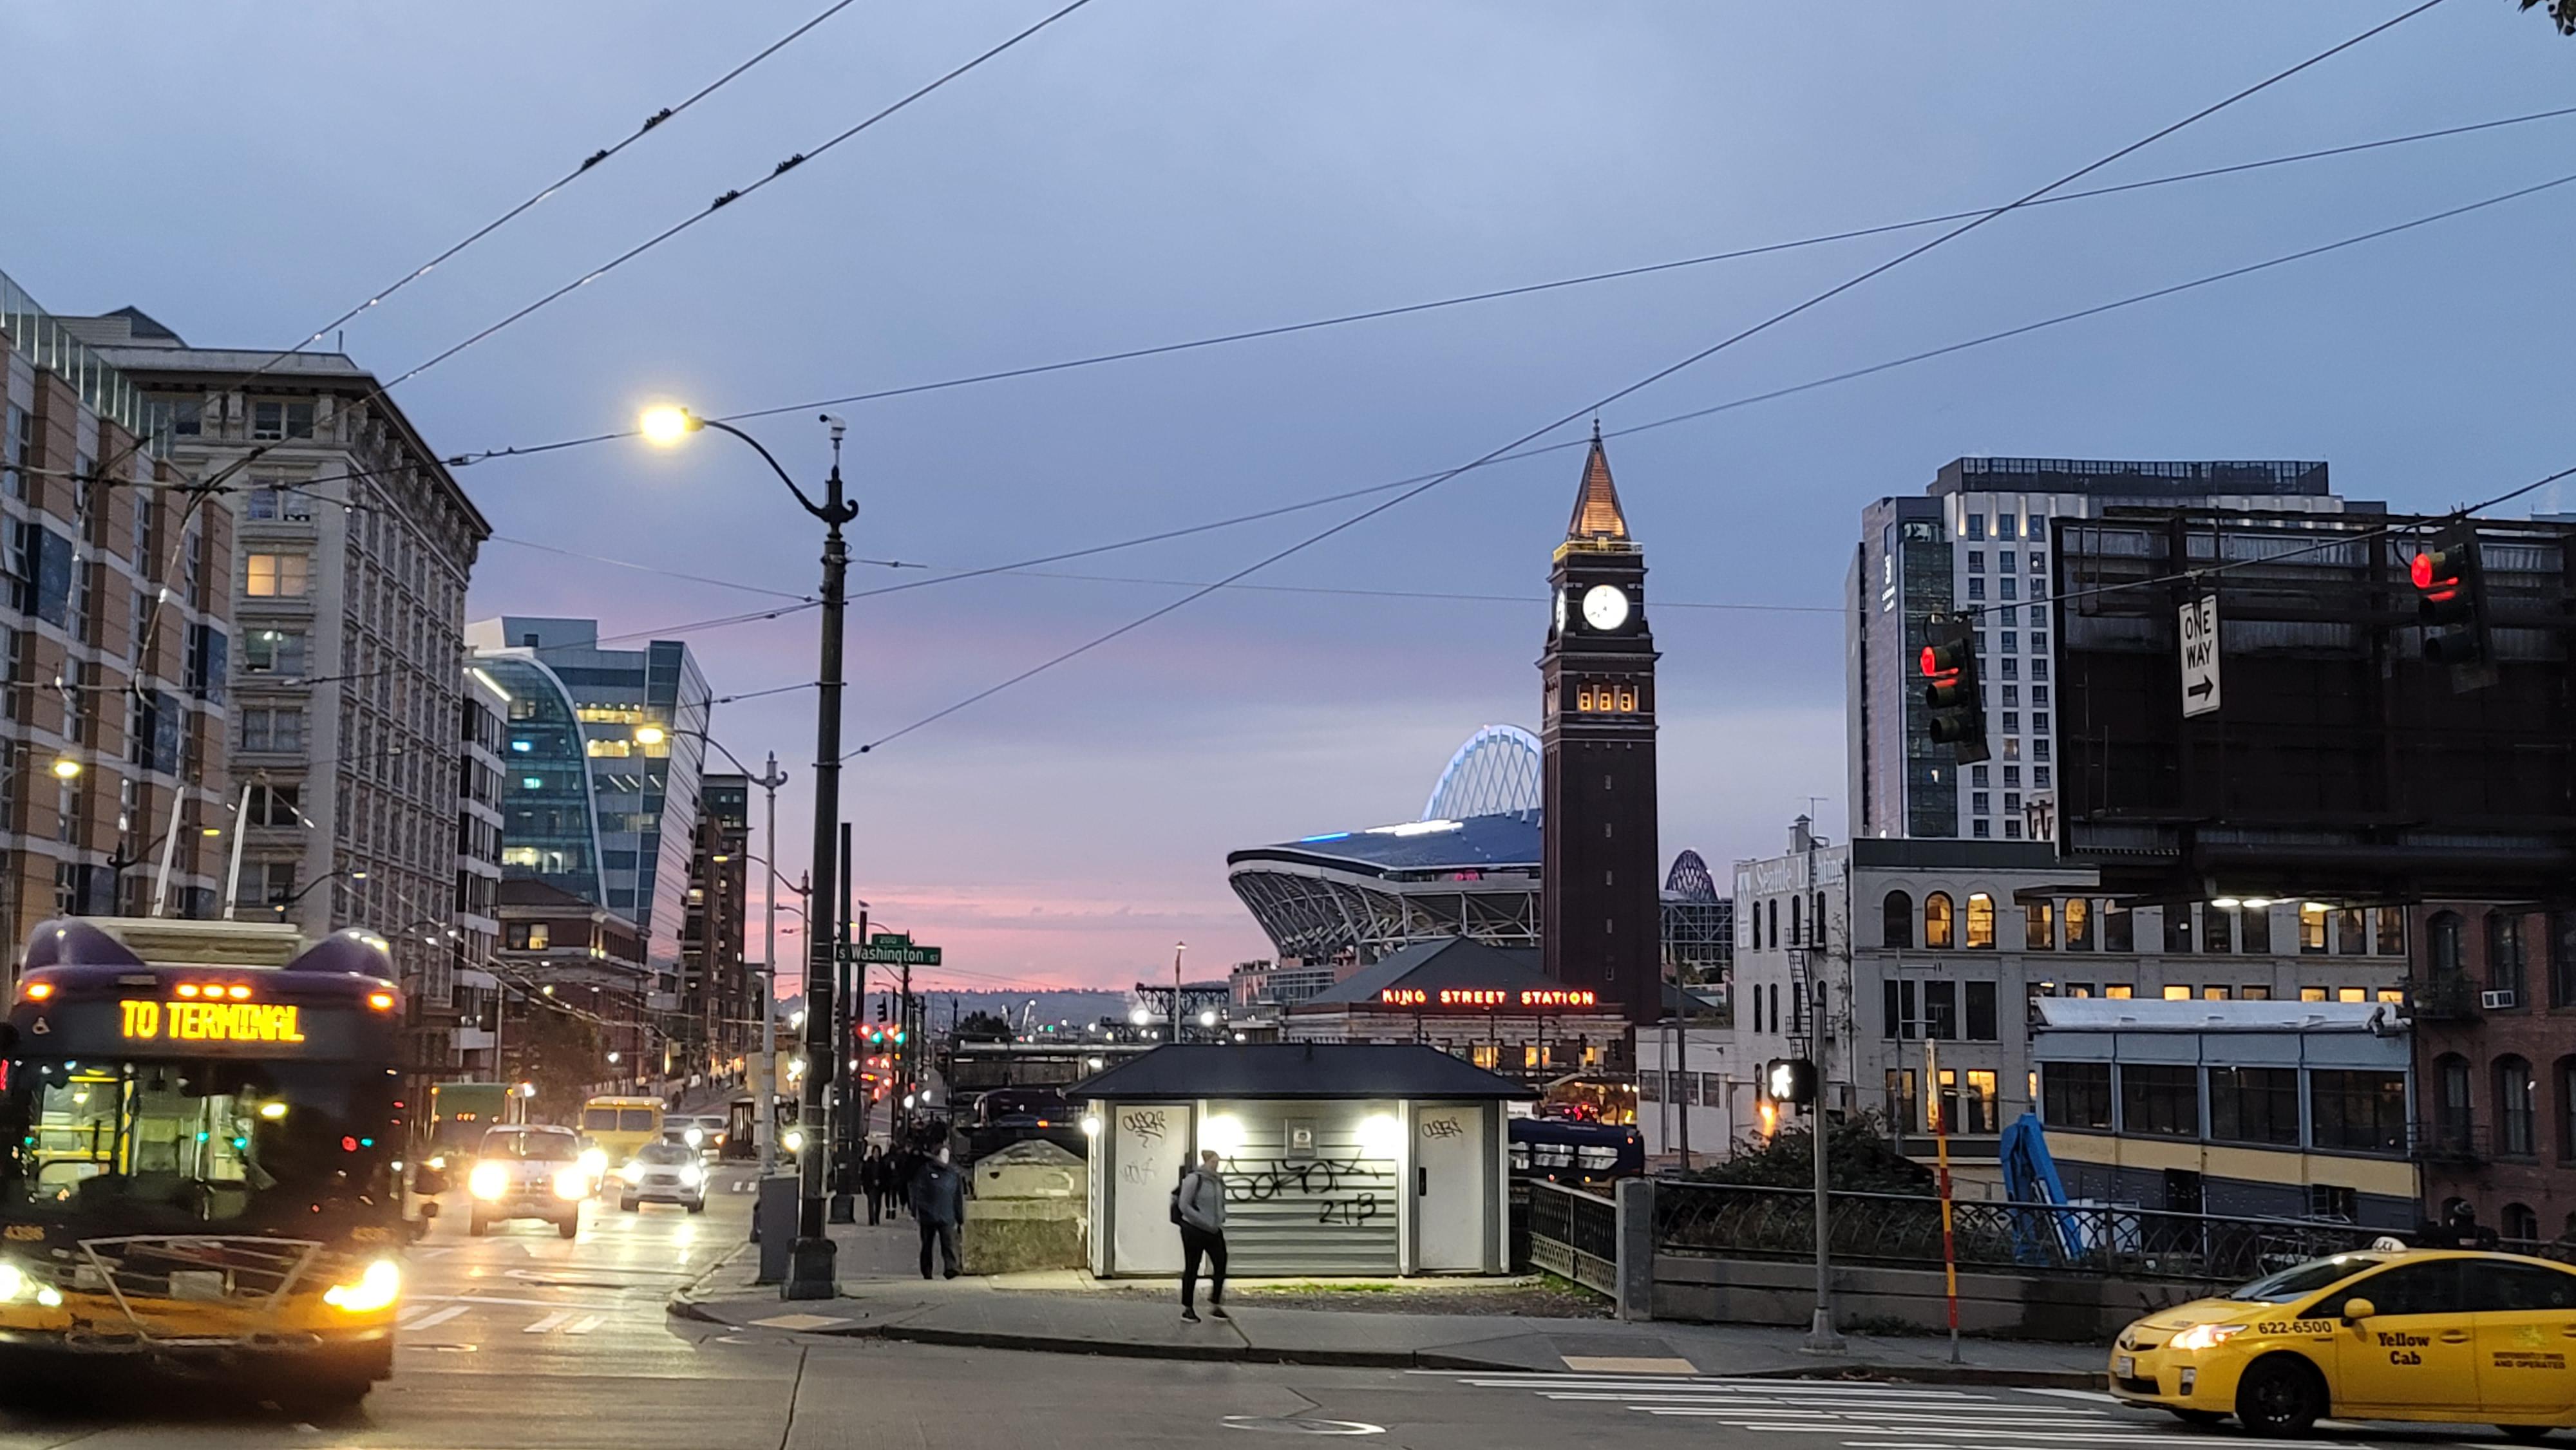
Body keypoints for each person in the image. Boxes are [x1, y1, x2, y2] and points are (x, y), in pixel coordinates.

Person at [1173, 1149, 1228, 1323]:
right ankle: (1187, 1308)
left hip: (1213, 1230)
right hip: (1194, 1230)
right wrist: (1201, 1221)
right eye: (1213, 1162)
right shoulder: (1194, 1179)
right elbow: (1184, 1205)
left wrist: (1221, 1218)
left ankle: (1216, 1304)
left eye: (1218, 1162)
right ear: (1205, 1161)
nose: (1216, 1165)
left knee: (1221, 1264)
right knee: (1192, 1267)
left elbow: (1220, 1203)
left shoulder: (1218, 1181)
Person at [908, 1145, 965, 1279]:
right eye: (942, 1155)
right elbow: (918, 1192)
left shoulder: (953, 1174)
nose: (945, 1159)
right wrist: (917, 1210)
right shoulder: (926, 1171)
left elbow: (957, 1197)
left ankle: (951, 1268)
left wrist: (959, 1217)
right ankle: (927, 1270)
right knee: (928, 1244)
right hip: (929, 1215)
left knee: (949, 1243)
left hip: (946, 1214)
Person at [858, 1146, 884, 1227]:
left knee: (878, 1203)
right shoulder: (868, 1163)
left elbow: (885, 1175)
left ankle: (876, 1218)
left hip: (879, 1186)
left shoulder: (882, 1164)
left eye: (878, 1152)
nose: (876, 1154)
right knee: (871, 1202)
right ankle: (871, 1219)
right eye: (875, 1152)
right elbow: (864, 1174)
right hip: (870, 1186)